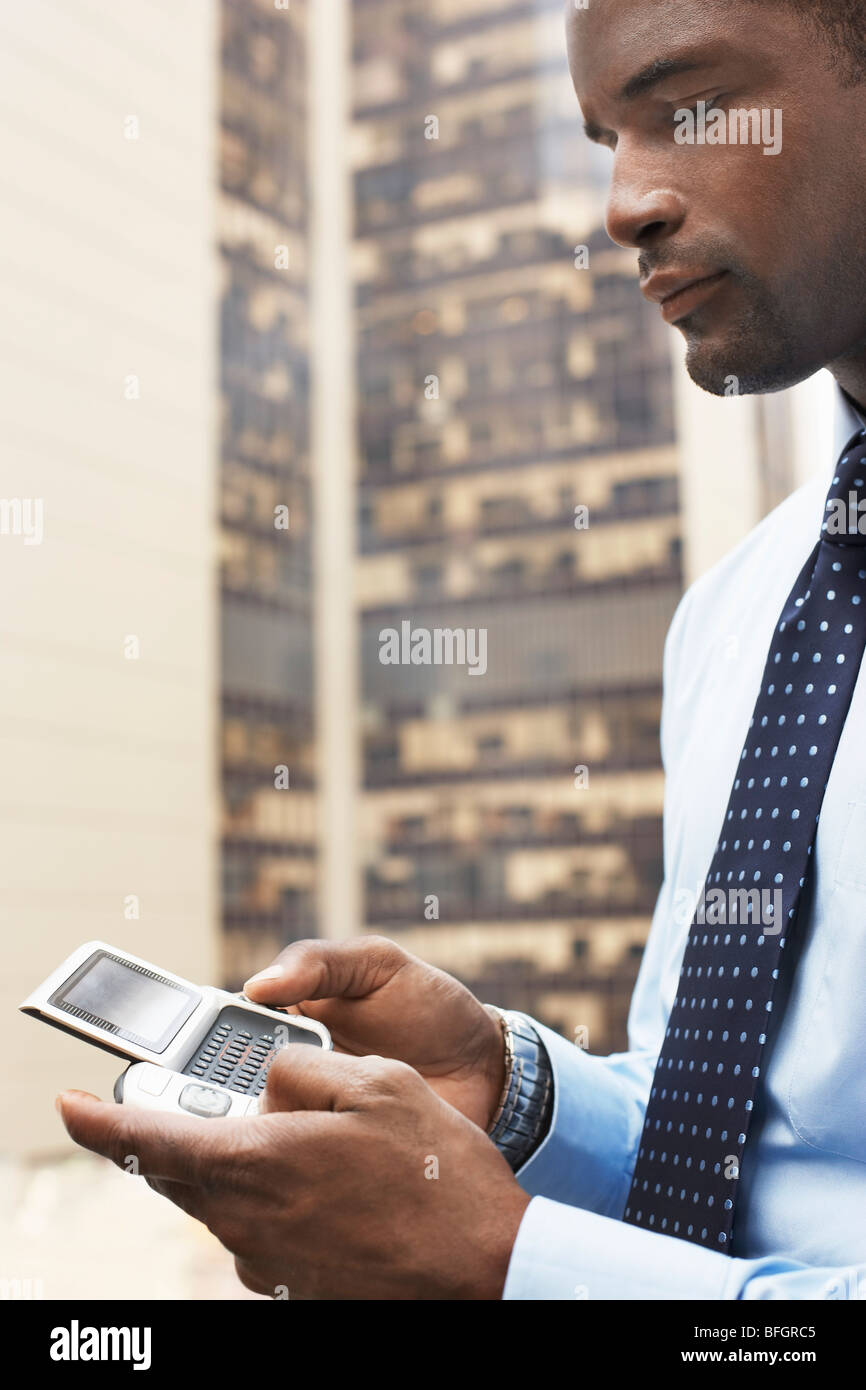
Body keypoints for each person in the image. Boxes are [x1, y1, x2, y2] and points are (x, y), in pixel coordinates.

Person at [59, 0, 866, 1299]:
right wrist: (505, 1089)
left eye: (689, 110)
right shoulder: (738, 615)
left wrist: (500, 1263)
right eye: (603, 139)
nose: (622, 206)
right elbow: (745, 1154)